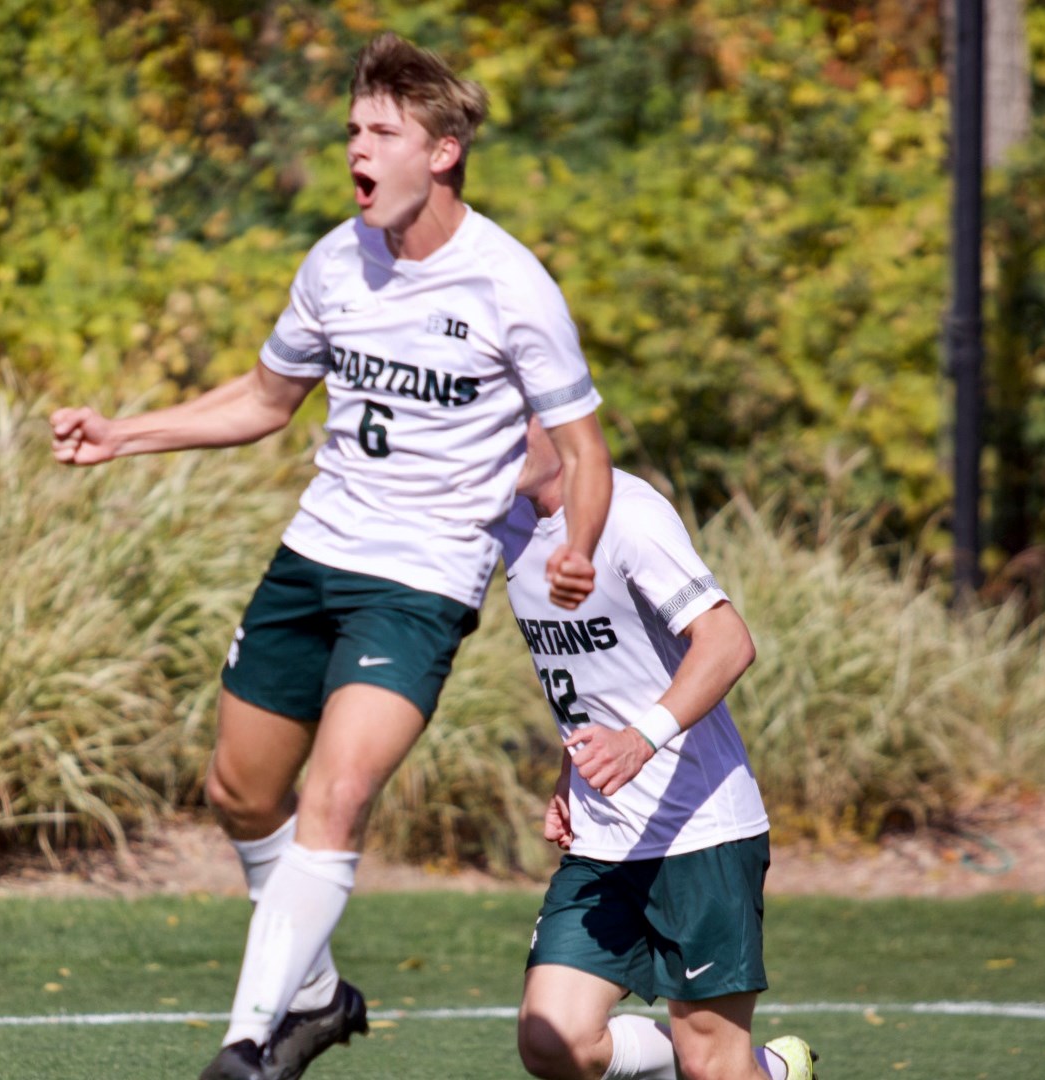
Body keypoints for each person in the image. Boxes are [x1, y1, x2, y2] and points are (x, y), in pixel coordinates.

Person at [49, 33, 614, 1080]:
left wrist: (575, 546)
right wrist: (126, 432)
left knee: (337, 796)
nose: (356, 148)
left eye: (381, 131)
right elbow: (266, 399)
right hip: (312, 557)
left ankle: (246, 1043)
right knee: (237, 792)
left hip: (421, 582)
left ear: (440, 152)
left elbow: (585, 450)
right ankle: (316, 998)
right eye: (352, 128)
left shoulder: (511, 286)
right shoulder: (333, 263)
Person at [492, 419, 817, 1080]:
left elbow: (728, 641)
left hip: (700, 834)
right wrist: (569, 773)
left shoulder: (630, 516)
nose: (490, 433)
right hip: (604, 841)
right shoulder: (510, 528)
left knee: (713, 1067)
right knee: (552, 1041)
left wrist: (642, 739)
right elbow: (589, 669)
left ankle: (762, 1071)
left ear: (560, 417)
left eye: (511, 416)